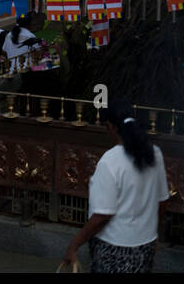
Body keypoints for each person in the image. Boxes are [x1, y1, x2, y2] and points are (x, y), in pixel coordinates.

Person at [63, 100, 168, 273]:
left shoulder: (110, 161)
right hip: (146, 244)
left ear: (111, 126)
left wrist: (74, 245)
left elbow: (102, 216)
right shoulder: (154, 152)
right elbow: (162, 201)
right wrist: (154, 233)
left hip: (114, 246)